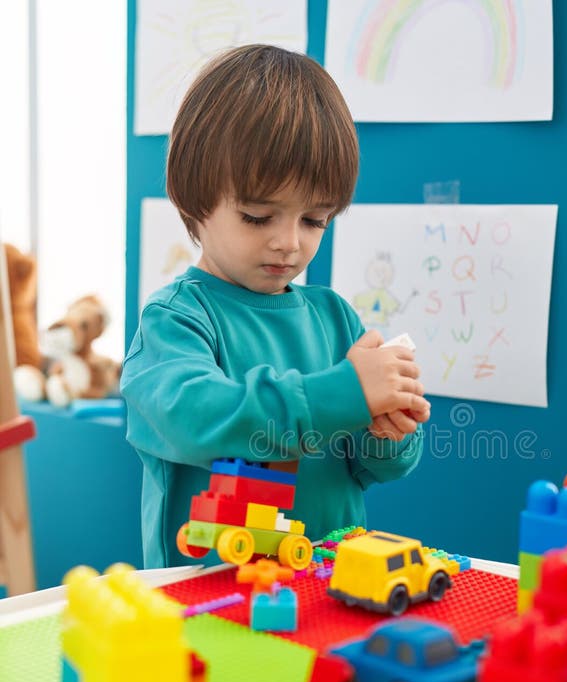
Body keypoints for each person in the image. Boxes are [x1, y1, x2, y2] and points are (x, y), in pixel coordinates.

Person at [121, 45, 430, 568]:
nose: (289, 243)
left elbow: (370, 467)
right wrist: (347, 392)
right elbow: (200, 422)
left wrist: (387, 434)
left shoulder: (335, 318)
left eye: (314, 220)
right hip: (209, 594)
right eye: (259, 216)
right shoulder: (175, 321)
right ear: (193, 199)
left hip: (327, 586)